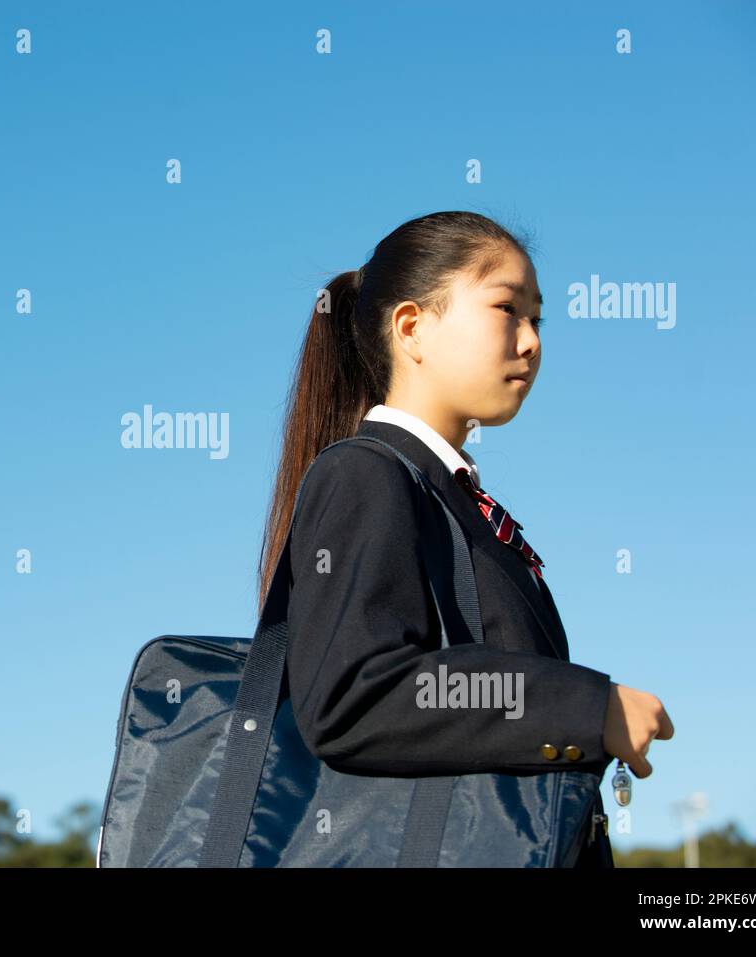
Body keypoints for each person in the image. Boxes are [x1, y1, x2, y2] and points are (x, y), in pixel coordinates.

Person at [260, 210, 675, 867]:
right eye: (508, 308)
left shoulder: (459, 506)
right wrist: (585, 707)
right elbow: (355, 692)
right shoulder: (364, 474)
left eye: (538, 319)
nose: (532, 340)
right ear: (412, 326)